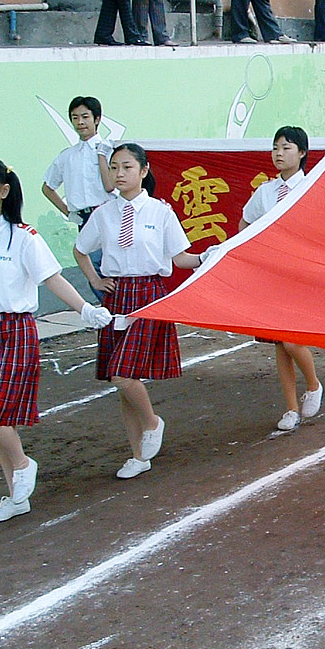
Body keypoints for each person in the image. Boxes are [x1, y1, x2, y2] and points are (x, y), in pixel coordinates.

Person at [0, 158, 111, 522]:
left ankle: (22, 463)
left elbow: (52, 278)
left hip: (15, 330)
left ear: (4, 191)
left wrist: (85, 310)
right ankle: (17, 495)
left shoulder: (23, 236)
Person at [73, 143, 202, 479]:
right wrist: (95, 280)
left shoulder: (161, 213)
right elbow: (80, 249)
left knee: (123, 374)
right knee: (122, 379)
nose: (119, 174)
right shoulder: (103, 214)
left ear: (144, 171)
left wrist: (207, 257)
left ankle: (152, 422)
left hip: (150, 296)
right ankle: (137, 455)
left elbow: (180, 259)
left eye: (127, 167)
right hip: (117, 295)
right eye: (114, 167)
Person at [237, 126, 323, 430]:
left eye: (286, 148)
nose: (278, 153)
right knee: (278, 343)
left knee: (290, 339)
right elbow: (245, 222)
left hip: (300, 274)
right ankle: (290, 408)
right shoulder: (266, 191)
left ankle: (312, 384)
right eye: (275, 148)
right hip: (271, 274)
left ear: (301, 152)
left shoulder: (312, 186)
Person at [41, 96, 117, 299]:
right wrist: (69, 212)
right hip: (83, 219)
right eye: (75, 118)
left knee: (110, 265)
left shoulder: (108, 149)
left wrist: (103, 156)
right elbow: (48, 187)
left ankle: (119, 311)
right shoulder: (68, 156)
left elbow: (112, 186)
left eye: (85, 117)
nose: (80, 122)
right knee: (91, 267)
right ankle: (113, 311)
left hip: (108, 214)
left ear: (97, 119)